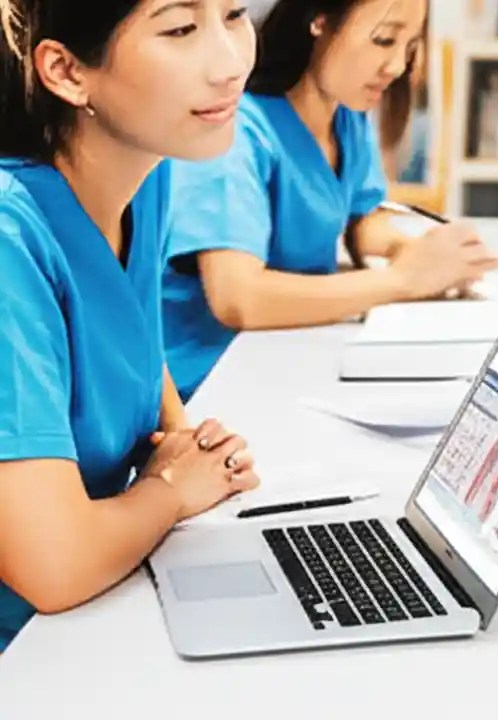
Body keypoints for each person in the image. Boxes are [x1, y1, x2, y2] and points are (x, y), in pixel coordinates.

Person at [0, 0, 262, 650]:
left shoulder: (145, 172)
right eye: (179, 29)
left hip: (98, 608)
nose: (229, 63)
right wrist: (171, 492)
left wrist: (186, 446)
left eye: (233, 14)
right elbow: (54, 565)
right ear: (65, 70)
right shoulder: (10, 240)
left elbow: (132, 343)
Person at [162, 0, 498, 400]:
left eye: (409, 48)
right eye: (384, 39)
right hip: (211, 381)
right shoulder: (235, 133)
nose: (395, 66)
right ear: (319, 20)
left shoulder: (346, 115)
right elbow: (238, 298)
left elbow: (361, 217)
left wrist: (418, 253)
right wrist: (401, 280)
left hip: (283, 353)